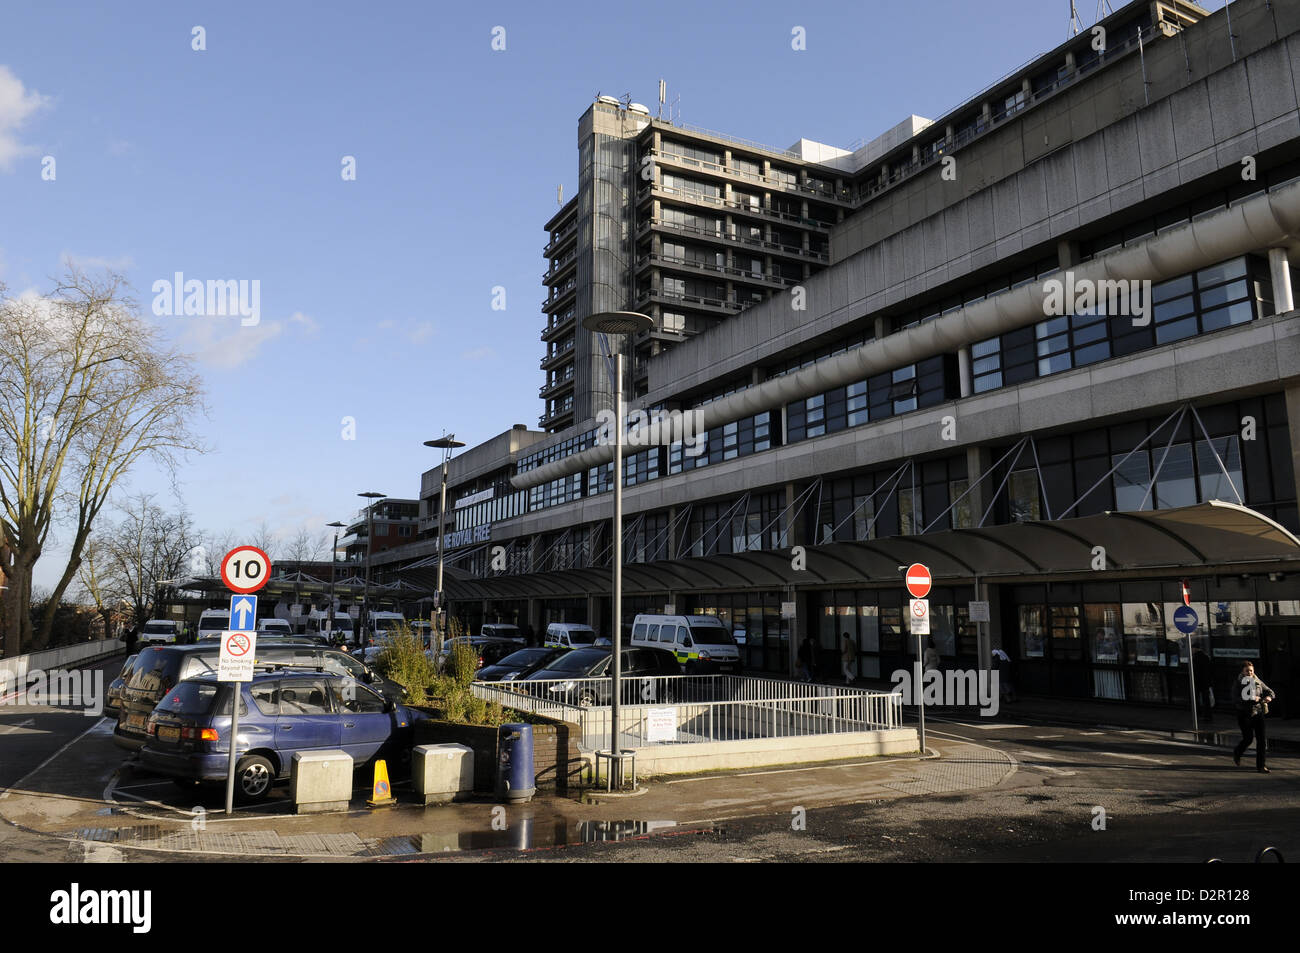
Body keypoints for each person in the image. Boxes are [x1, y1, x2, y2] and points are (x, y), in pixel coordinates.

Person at [1232, 660, 1276, 773]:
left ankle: (1261, 766)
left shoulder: (1257, 680)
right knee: (1248, 739)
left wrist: (1269, 697)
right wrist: (1249, 699)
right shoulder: (1238, 682)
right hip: (1244, 714)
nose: (1250, 673)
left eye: (1251, 671)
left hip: (1258, 713)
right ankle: (1237, 752)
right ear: (1242, 671)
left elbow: (1270, 691)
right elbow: (1235, 699)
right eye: (1247, 671)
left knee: (1261, 741)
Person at [1191, 647, 1213, 721]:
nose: (1192, 650)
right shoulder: (1206, 657)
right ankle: (1208, 715)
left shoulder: (1194, 657)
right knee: (1206, 699)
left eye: (1193, 648)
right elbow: (1209, 670)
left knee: (1196, 698)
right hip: (1205, 682)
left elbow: (1194, 670)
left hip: (1197, 681)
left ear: (1195, 649)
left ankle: (1198, 714)